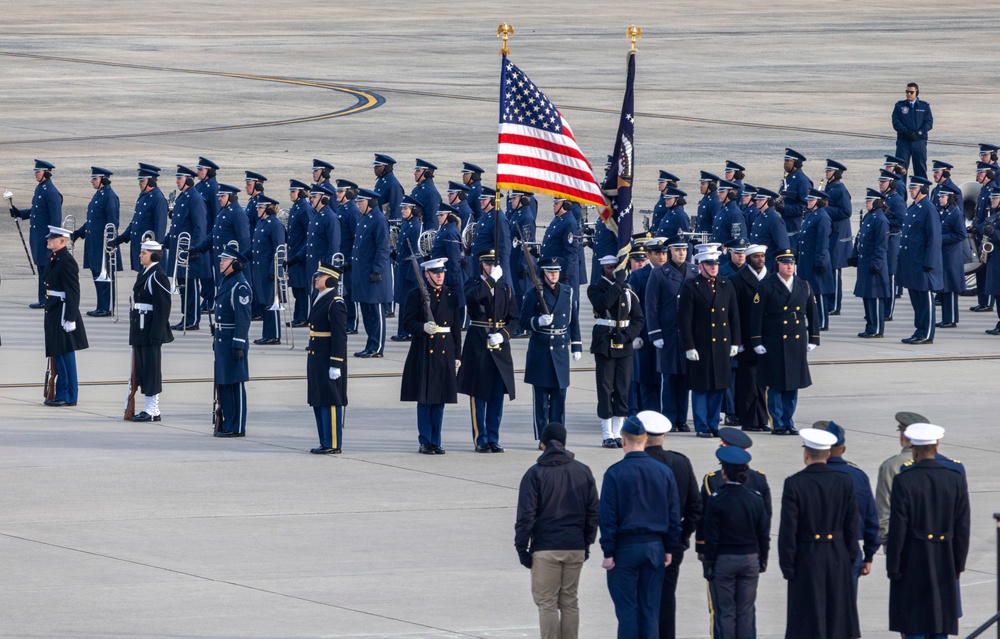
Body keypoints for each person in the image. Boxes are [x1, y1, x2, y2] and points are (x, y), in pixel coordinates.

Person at [599, 416, 681, 639]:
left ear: (623, 441)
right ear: (645, 440)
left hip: (624, 549)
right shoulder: (663, 472)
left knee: (627, 613)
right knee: (650, 611)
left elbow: (607, 517)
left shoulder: (614, 473)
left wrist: (608, 551)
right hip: (655, 547)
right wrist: (669, 548)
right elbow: (674, 515)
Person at [514, 422, 599, 639]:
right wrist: (586, 543)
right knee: (570, 601)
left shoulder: (535, 474)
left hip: (545, 549)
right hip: (575, 546)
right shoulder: (583, 471)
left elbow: (526, 516)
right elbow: (593, 513)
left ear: (543, 444)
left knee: (547, 604)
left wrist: (522, 548)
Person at [887, 423, 970, 639]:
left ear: (914, 450)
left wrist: (893, 567)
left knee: (914, 625)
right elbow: (962, 527)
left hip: (913, 560)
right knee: (939, 625)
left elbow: (898, 527)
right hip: (945, 559)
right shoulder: (955, 478)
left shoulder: (904, 480)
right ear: (938, 445)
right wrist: (958, 564)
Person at [778, 428, 860, 639]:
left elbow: (788, 530)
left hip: (807, 558)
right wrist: (850, 557)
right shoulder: (844, 481)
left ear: (806, 455)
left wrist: (788, 566)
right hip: (837, 556)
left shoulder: (794, 483)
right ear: (829, 454)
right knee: (837, 619)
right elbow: (851, 526)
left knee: (807, 621)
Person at [641, 411, 701, 639]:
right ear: (664, 435)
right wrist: (683, 536)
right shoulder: (680, 462)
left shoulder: (635, 463)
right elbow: (695, 507)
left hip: (640, 542)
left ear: (642, 436)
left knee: (641, 599)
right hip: (671, 542)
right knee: (667, 598)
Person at [701, 445, 770, 639]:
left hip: (724, 560)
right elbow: (763, 533)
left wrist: (709, 564)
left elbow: (712, 536)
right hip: (749, 559)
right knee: (746, 611)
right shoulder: (755, 499)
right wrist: (762, 559)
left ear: (724, 473)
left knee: (726, 612)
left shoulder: (717, 499)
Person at [750, 249, 819, 435]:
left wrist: (814, 337)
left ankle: (789, 421)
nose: (789, 266)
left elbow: (812, 312)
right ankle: (777, 422)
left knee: (792, 384)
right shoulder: (766, 286)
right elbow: (756, 316)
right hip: (773, 340)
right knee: (776, 384)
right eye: (785, 263)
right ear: (778, 265)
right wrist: (756, 340)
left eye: (792, 263)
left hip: (796, 341)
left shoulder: (803, 285)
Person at [458, 250, 519, 452]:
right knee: (479, 394)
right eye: (486, 263)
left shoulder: (505, 287)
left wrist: (504, 335)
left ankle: (493, 437)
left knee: (496, 396)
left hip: (499, 346)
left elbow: (514, 318)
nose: (490, 267)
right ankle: (480, 438)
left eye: (493, 264)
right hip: (479, 343)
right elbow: (473, 298)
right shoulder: (474, 283)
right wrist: (490, 281)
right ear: (480, 264)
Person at [400, 257, 462, 454]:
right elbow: (407, 323)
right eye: (436, 273)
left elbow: (456, 329)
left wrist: (457, 355)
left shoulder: (451, 296)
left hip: (445, 350)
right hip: (425, 350)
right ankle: (425, 440)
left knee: (440, 400)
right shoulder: (415, 295)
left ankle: (436, 440)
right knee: (425, 399)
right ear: (426, 275)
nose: (440, 276)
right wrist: (422, 327)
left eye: (442, 272)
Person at [677, 245, 740, 438]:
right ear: (700, 265)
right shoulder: (691, 286)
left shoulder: (725, 284)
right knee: (701, 387)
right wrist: (689, 346)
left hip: (721, 344)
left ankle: (713, 424)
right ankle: (702, 424)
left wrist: (735, 342)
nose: (714, 267)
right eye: (709, 264)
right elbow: (684, 319)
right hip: (701, 345)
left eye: (716, 263)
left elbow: (733, 315)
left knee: (719, 386)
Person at [521, 257, 582, 441]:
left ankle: (557, 437)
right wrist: (537, 322)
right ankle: (543, 438)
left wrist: (576, 345)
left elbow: (574, 320)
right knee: (541, 402)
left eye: (556, 271)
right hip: (541, 350)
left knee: (559, 400)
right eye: (550, 271)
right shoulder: (533, 294)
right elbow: (523, 320)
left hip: (560, 349)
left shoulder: (568, 292)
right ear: (543, 273)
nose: (554, 274)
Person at [588, 255, 645, 447]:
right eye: (610, 268)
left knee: (622, 388)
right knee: (605, 388)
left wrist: (628, 335)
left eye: (616, 267)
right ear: (603, 269)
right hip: (604, 341)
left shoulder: (628, 290)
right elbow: (603, 303)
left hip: (624, 343)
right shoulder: (595, 288)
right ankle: (606, 433)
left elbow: (638, 318)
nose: (613, 270)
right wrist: (619, 282)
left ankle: (618, 432)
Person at [820, 421, 880, 597]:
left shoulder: (806, 479)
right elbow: (871, 519)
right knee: (845, 609)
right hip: (850, 549)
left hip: (816, 550)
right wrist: (869, 555)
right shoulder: (859, 476)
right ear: (843, 449)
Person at [646, 236, 697, 432]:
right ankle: (669, 418)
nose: (681, 253)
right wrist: (655, 333)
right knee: (669, 378)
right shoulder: (659, 273)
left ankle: (682, 419)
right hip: (667, 333)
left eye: (684, 250)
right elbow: (651, 306)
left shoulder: (693, 271)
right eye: (677, 250)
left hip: (687, 333)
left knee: (684, 378)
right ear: (670, 252)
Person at [187, 183, 251, 331]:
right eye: (219, 196)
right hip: (222, 261)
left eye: (222, 196)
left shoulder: (238, 213)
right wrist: (199, 248)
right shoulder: (223, 212)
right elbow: (213, 235)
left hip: (232, 264)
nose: (219, 199)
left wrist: (241, 261)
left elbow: (244, 240)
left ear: (230, 196)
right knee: (222, 289)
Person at [41, 226, 89, 407]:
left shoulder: (66, 261)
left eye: (52, 238)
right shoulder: (55, 258)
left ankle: (67, 394)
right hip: (53, 309)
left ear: (62, 241)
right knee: (57, 353)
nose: (48, 240)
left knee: (65, 353)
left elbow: (73, 292)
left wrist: (70, 318)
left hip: (61, 310)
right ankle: (62, 391)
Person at [128, 239, 173, 422]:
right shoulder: (145, 272)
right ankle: (148, 407)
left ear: (154, 255)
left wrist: (156, 334)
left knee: (152, 370)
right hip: (140, 328)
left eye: (144, 253)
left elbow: (163, 307)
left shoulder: (158, 275)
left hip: (150, 330)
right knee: (142, 369)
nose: (140, 256)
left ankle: (153, 409)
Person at [306, 260, 347, 454]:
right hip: (317, 355)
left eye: (321, 276)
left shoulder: (335, 302)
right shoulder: (320, 297)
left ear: (330, 280)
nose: (317, 278)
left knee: (330, 400)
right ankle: (324, 440)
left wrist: (336, 363)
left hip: (328, 357)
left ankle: (332, 443)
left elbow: (340, 336)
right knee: (318, 399)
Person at [10, 159, 63, 307]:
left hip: (45, 238)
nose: (35, 174)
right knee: (41, 268)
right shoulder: (40, 189)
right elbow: (37, 211)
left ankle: (47, 299)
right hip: (37, 237)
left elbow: (55, 218)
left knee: (46, 269)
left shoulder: (51, 192)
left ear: (46, 173)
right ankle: (43, 298)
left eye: (38, 172)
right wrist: (20, 213)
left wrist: (53, 238)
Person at [212, 244, 252, 438]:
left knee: (235, 384)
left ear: (235, 264)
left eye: (225, 260)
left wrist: (238, 344)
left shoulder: (240, 286)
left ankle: (237, 426)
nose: (221, 263)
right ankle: (228, 422)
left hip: (233, 341)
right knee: (224, 383)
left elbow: (242, 319)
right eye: (221, 260)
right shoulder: (227, 282)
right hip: (222, 339)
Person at [899, 176, 943, 344]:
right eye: (910, 187)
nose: (910, 190)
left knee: (925, 300)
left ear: (923, 189)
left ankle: (926, 334)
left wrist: (930, 262)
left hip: (923, 262)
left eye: (914, 187)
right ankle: (919, 330)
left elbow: (934, 238)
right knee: (916, 300)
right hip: (912, 262)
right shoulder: (913, 208)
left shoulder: (929, 209)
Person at [72, 167, 121, 318]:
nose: (91, 181)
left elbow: (113, 222)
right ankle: (101, 305)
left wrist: (110, 242)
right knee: (96, 275)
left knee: (104, 276)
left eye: (95, 178)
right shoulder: (99, 195)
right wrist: (79, 233)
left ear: (103, 179)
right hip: (93, 243)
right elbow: (92, 221)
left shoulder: (109, 196)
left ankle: (106, 307)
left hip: (103, 244)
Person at [730, 245, 769, 432]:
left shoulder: (771, 279)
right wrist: (737, 341)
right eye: (756, 257)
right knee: (748, 383)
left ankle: (762, 418)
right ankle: (748, 419)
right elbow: (734, 313)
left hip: (766, 339)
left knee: (763, 382)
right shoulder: (738, 280)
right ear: (748, 258)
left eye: (762, 256)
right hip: (746, 339)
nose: (760, 259)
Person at [351, 188, 392, 357]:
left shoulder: (379, 220)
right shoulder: (364, 219)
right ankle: (370, 344)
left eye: (361, 202)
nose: (358, 205)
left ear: (370, 202)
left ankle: (377, 348)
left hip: (374, 275)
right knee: (367, 313)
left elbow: (383, 248)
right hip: (362, 273)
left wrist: (377, 270)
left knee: (376, 313)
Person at [110, 163, 168, 275]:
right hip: (141, 248)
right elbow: (135, 222)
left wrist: (155, 253)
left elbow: (160, 228)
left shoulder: (158, 199)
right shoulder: (143, 196)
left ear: (151, 181)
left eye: (142, 181)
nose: (139, 183)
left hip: (150, 253)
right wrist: (122, 238)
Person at [850, 189, 890, 338]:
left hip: (874, 264)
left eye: (869, 201)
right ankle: (870, 326)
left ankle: (877, 328)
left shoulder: (880, 220)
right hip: (865, 262)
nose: (866, 203)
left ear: (877, 202)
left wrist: (877, 263)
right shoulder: (869, 217)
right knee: (867, 297)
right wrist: (855, 255)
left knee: (876, 297)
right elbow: (860, 238)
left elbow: (881, 245)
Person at [627, 238, 659, 414]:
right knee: (635, 375)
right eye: (636, 260)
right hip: (638, 334)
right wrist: (634, 334)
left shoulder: (652, 275)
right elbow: (631, 310)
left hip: (652, 332)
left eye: (642, 260)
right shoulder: (634, 278)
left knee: (648, 375)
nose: (639, 264)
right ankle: (634, 409)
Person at [249, 195, 286, 345]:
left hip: (269, 270)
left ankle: (274, 335)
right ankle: (267, 334)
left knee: (271, 303)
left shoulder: (275, 224)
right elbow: (255, 247)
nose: (257, 209)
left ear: (268, 209)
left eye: (260, 207)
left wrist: (275, 270)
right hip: (259, 269)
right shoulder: (261, 223)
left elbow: (279, 249)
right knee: (264, 302)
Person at [796, 189, 834, 331]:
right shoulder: (812, 215)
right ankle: (814, 321)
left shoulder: (822, 217)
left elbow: (822, 242)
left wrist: (820, 261)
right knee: (810, 292)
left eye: (811, 200)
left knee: (819, 292)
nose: (808, 202)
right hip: (807, 260)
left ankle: (822, 322)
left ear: (818, 201)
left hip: (816, 260)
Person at [390, 196, 422, 341]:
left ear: (413, 210)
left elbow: (416, 252)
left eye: (405, 208)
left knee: (408, 303)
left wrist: (412, 275)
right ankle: (402, 331)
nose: (402, 211)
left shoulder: (416, 226)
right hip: (402, 268)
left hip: (409, 271)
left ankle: (406, 331)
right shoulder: (407, 224)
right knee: (403, 302)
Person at [878, 169, 908, 320]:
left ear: (891, 183)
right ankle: (881, 308)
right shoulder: (883, 198)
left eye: (883, 182)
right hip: (883, 241)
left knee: (890, 277)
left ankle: (887, 311)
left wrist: (883, 221)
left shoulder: (897, 200)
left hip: (892, 241)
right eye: (880, 181)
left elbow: (901, 222)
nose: (880, 184)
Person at [936, 183, 967, 329]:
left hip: (952, 256)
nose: (940, 199)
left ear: (950, 198)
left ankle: (951, 318)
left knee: (951, 288)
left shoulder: (956, 213)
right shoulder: (945, 212)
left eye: (942, 196)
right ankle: (946, 318)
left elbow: (961, 235)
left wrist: (941, 238)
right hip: (945, 255)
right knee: (945, 288)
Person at [284, 179, 313, 327]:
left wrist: (300, 255)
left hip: (301, 256)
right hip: (294, 254)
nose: (290, 194)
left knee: (302, 289)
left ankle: (303, 317)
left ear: (301, 193)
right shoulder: (296, 208)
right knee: (296, 289)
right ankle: (298, 316)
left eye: (293, 191)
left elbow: (309, 235)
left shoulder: (305, 209)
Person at [194, 157, 221, 313]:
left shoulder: (214, 188)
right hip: (201, 235)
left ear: (209, 172)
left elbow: (217, 212)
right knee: (204, 270)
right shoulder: (199, 186)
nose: (198, 172)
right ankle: (206, 297)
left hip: (209, 233)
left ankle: (210, 299)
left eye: (201, 170)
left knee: (210, 270)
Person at [333, 179, 361, 334]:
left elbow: (355, 237)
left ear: (349, 193)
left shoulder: (353, 211)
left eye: (340, 191)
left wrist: (351, 259)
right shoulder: (341, 209)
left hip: (348, 257)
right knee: (342, 291)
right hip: (340, 256)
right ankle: (345, 321)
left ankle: (352, 322)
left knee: (349, 292)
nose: (337, 194)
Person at [891, 82, 933, 179]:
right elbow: (896, 122)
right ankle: (900, 193)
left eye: (911, 92)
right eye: (907, 92)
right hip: (904, 141)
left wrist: (919, 133)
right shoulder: (899, 106)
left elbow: (929, 123)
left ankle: (921, 192)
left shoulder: (924, 106)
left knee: (920, 169)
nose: (908, 94)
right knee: (900, 169)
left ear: (916, 93)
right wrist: (906, 132)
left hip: (919, 141)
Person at [748, 188, 789, 272]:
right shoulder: (759, 217)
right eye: (757, 199)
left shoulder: (774, 219)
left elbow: (783, 245)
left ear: (769, 201)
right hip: (756, 264)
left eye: (761, 199)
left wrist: (776, 266)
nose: (757, 201)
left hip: (768, 265)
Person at [777, 148, 810, 238]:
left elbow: (806, 206)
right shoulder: (788, 179)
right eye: (784, 160)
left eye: (788, 160)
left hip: (795, 227)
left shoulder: (802, 181)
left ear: (796, 163)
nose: (785, 163)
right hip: (784, 224)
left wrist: (785, 208)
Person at [411, 159, 442, 231]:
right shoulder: (416, 189)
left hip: (422, 231)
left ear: (426, 173)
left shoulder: (431, 192)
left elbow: (433, 218)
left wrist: (428, 237)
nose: (415, 173)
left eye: (418, 171)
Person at [243, 171, 267, 238]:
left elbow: (259, 226)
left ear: (258, 186)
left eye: (249, 184)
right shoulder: (252, 201)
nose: (246, 187)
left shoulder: (259, 203)